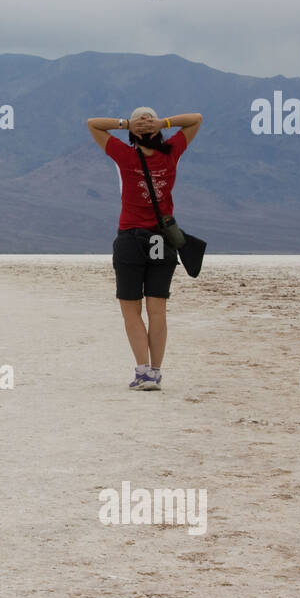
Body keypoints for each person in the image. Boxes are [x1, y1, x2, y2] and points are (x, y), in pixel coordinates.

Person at [86, 108, 203, 390]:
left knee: (131, 310)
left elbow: (93, 124)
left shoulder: (124, 155)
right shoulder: (170, 152)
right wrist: (163, 121)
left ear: (133, 134)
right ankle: (157, 372)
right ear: (158, 131)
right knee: (158, 310)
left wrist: (127, 123)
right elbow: (196, 119)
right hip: (162, 240)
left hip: (130, 239)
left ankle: (143, 372)